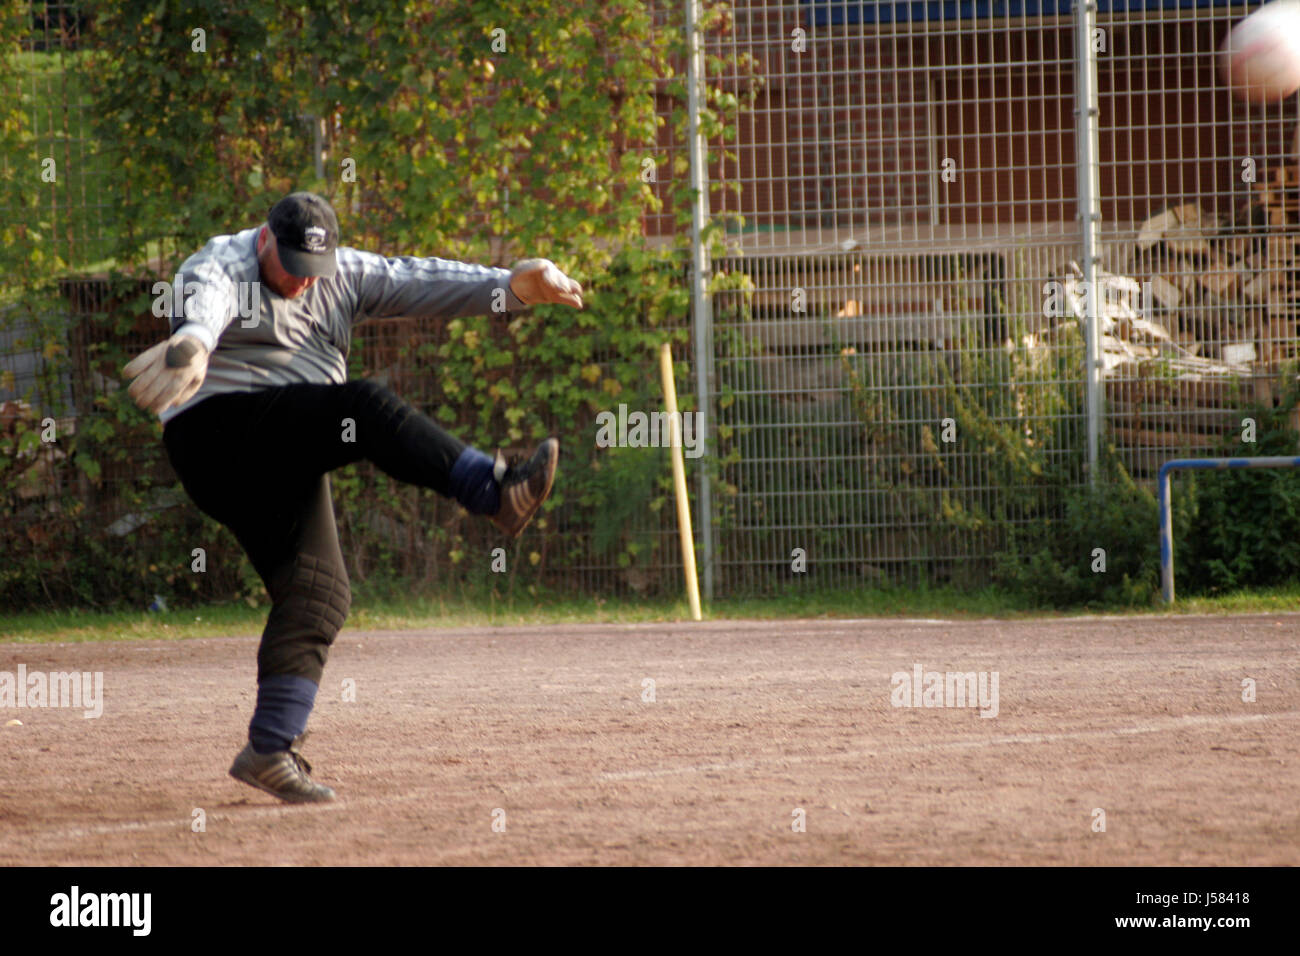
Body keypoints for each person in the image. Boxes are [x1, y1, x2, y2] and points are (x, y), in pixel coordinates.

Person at [122, 192, 583, 803]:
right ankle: (491, 490)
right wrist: (197, 343)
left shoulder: (342, 274)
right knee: (364, 407)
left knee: (320, 594)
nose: (298, 281)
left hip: (289, 449)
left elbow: (420, 280)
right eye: (287, 265)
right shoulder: (223, 262)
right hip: (218, 436)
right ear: (265, 239)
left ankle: (269, 750)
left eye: (311, 270)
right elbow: (206, 300)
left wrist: (512, 286)